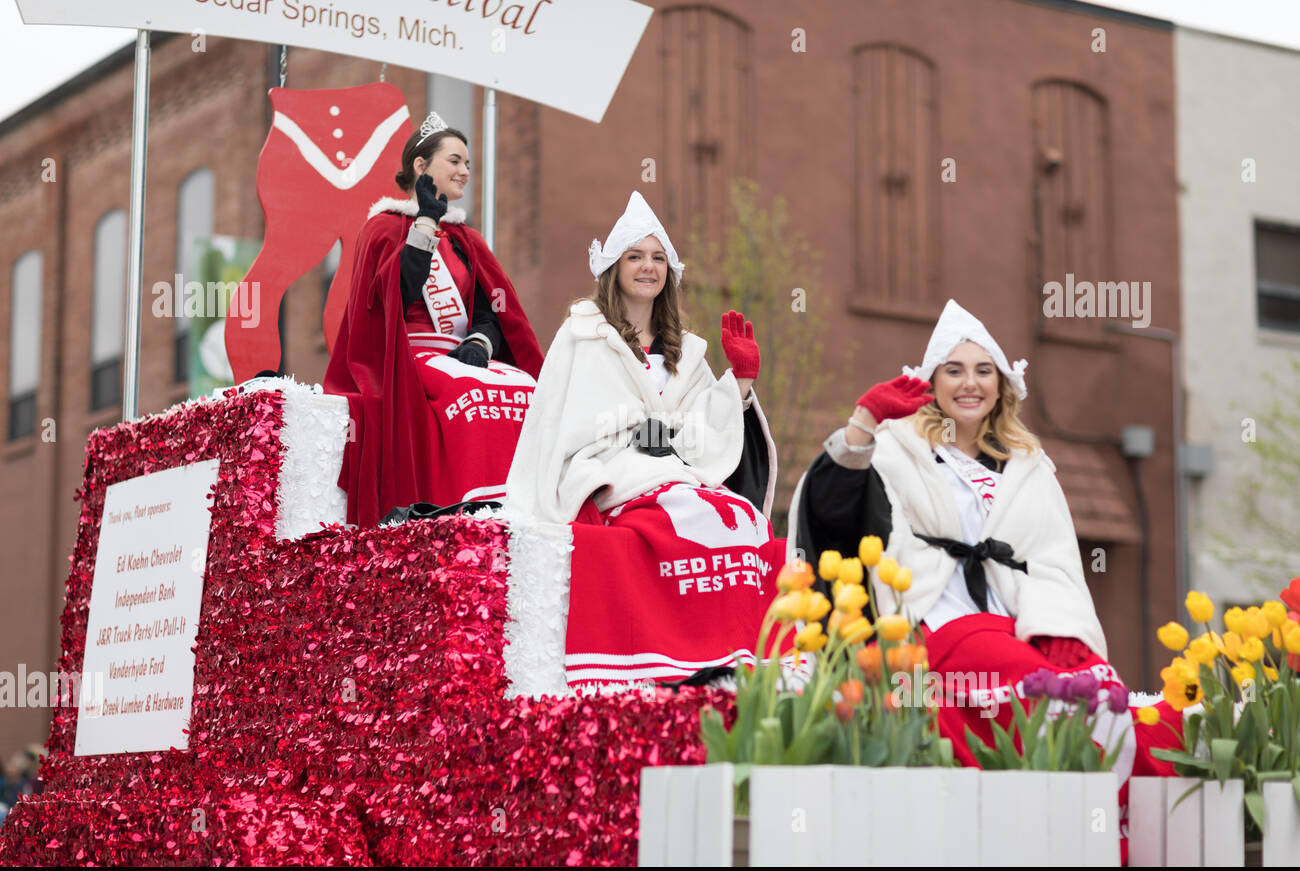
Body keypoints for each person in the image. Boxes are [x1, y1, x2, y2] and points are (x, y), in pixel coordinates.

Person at [789, 300, 1179, 804]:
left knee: (1106, 702)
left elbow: (1054, 557)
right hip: (941, 620)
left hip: (1023, 620)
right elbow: (832, 511)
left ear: (1001, 386)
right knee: (1044, 699)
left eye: (982, 371)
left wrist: (1060, 627)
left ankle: (1120, 841)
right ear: (933, 382)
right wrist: (863, 423)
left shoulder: (1030, 465)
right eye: (954, 371)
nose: (969, 383)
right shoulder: (896, 448)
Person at [505, 191, 782, 687]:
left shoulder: (686, 354)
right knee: (685, 518)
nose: (648, 267)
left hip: (677, 474)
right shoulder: (582, 335)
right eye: (636, 257)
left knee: (743, 521)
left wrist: (737, 381)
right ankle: (672, 651)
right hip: (617, 473)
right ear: (615, 267)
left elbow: (704, 433)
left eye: (658, 259)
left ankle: (734, 651)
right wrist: (632, 434)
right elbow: (562, 423)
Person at [324, 111, 544, 527]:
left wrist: (479, 343)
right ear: (421, 168)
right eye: (455, 161)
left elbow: (491, 310)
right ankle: (469, 510)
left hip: (462, 356)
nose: (464, 171)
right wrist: (424, 223)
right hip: (408, 360)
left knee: (524, 389)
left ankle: (522, 510)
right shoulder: (383, 229)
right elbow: (397, 294)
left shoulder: (466, 239)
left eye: (467, 164)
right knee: (478, 400)